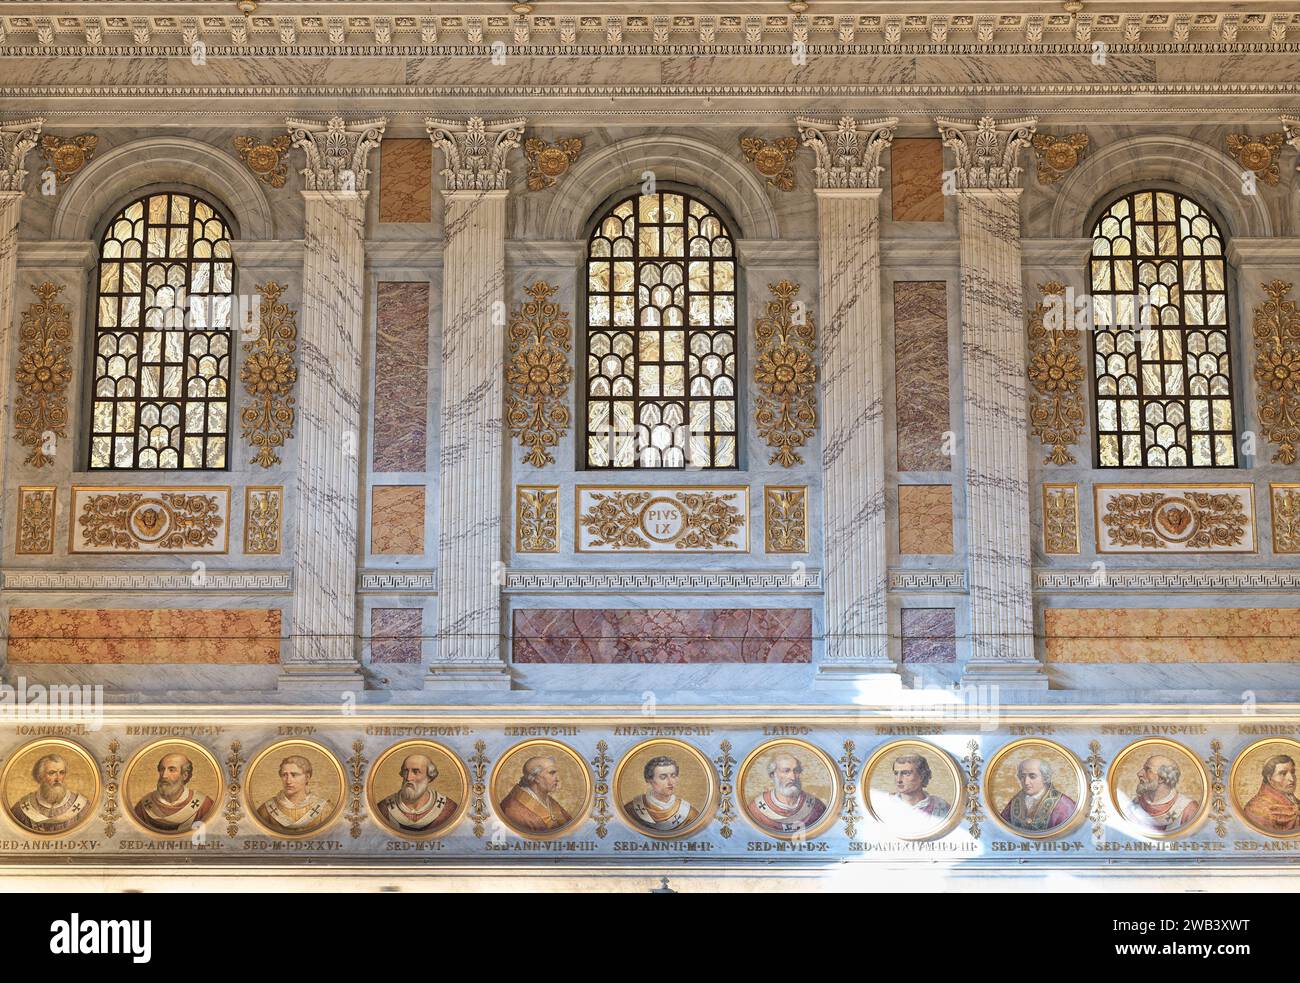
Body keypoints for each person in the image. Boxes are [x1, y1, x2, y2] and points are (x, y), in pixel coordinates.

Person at [375, 752, 459, 834]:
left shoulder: (448, 809)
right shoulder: (384, 808)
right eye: (406, 771)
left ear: (429, 777)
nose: (408, 778)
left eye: (416, 772)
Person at [132, 752, 215, 833]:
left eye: (172, 770)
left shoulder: (204, 805)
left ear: (184, 775)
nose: (164, 775)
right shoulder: (144, 806)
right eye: (162, 769)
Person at [747, 752, 827, 835]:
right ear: (773, 775)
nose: (792, 777)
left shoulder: (816, 807)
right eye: (786, 771)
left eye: (796, 771)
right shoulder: (756, 810)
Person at [11, 754, 91, 834]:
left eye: (62, 772)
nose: (58, 778)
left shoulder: (82, 806)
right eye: (52, 773)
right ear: (40, 776)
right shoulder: (21, 809)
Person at [255, 755, 333, 833]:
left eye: (294, 775)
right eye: (284, 775)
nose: (288, 781)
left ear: (307, 777)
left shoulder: (325, 810)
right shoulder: (266, 810)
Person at [623, 755, 700, 833]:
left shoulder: (690, 814)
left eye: (673, 776)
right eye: (663, 777)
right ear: (649, 780)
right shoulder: (631, 810)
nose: (670, 782)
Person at [999, 757, 1076, 833]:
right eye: (1022, 776)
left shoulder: (1065, 805)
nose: (1026, 782)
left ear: (1045, 778)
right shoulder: (1015, 801)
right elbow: (1002, 830)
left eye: (1032, 776)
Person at [498, 755, 573, 832]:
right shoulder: (513, 809)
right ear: (536, 778)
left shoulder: (547, 800)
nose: (557, 778)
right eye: (551, 773)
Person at [1128, 754, 1199, 833]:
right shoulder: (1135, 804)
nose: (1139, 773)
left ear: (1161, 778)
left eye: (1147, 770)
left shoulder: (1188, 809)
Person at [880, 753, 951, 827]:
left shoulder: (941, 806)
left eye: (906, 773)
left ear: (922, 776)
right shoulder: (885, 804)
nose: (898, 780)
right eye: (896, 773)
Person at [1243, 754, 1300, 833]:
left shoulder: (1295, 802)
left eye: (1292, 772)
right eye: (1283, 773)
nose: (1291, 779)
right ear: (1269, 778)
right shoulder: (1255, 809)